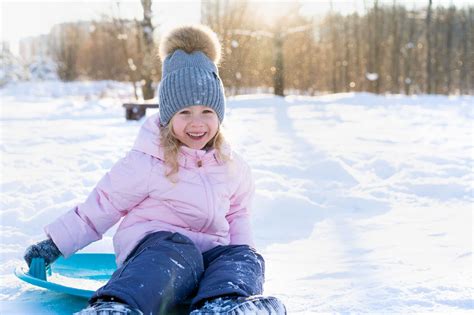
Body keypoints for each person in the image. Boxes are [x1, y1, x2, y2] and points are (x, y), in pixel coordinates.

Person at [23, 25, 286, 315]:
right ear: (167, 115)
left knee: (246, 257)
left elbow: (238, 216)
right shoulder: (148, 161)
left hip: (208, 258)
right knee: (175, 249)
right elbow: (103, 205)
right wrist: (56, 244)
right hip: (155, 257)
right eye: (184, 112)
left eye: (207, 112)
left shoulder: (232, 167)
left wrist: (240, 258)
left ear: (220, 116)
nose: (197, 123)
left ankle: (223, 304)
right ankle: (117, 307)